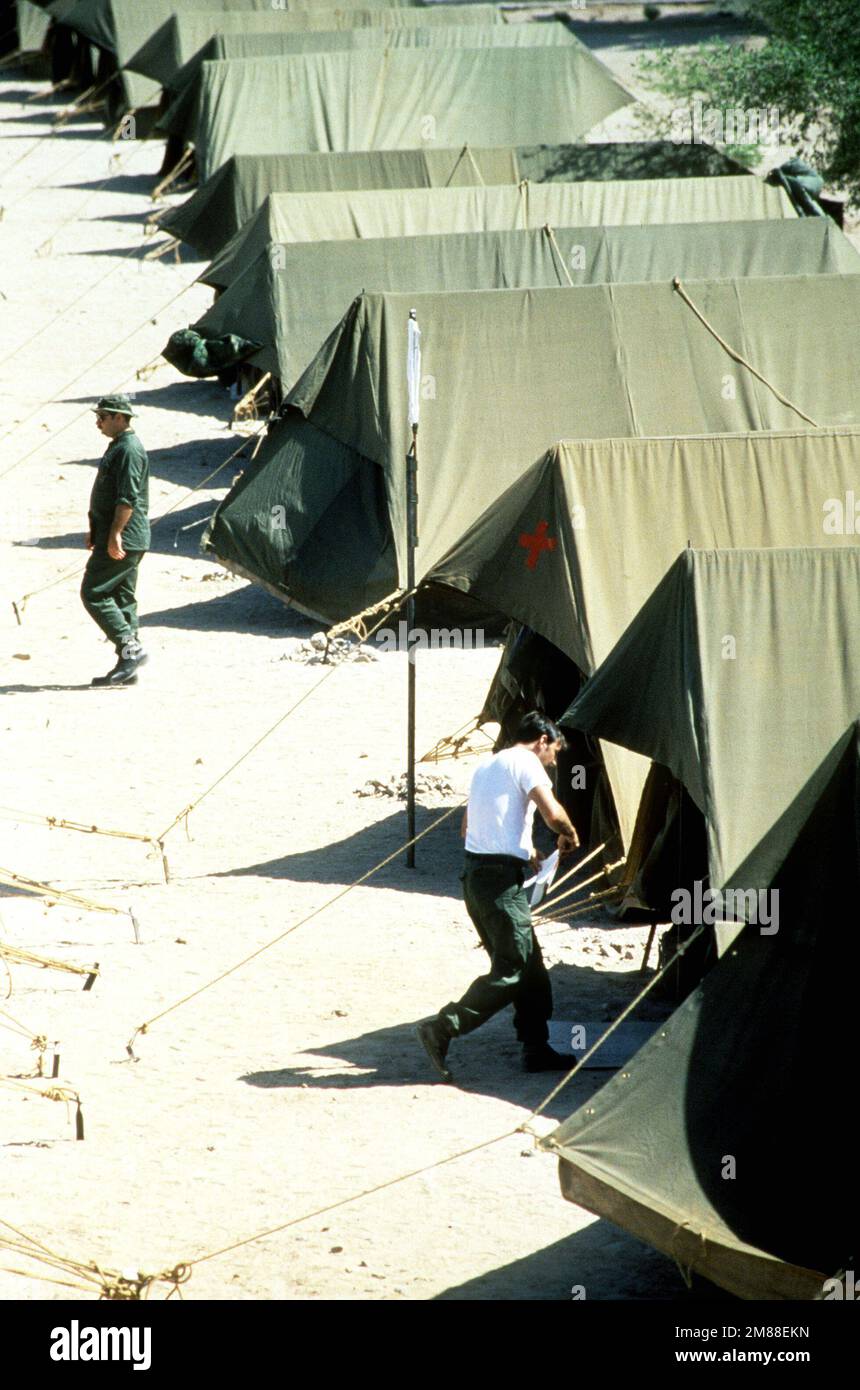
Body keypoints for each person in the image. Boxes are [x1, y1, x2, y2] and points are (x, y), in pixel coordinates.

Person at [417, 711, 580, 1083]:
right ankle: (444, 1027)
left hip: (477, 879)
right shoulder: (526, 762)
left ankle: (535, 1048)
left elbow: (469, 827)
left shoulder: (487, 767)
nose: (553, 761)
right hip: (499, 885)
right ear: (541, 741)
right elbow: (553, 814)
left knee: (531, 970)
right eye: (553, 752)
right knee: (514, 969)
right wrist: (568, 835)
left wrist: (526, 851)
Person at [80, 394, 150, 686]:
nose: (98, 422)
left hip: (125, 536)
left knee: (94, 592)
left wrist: (115, 535)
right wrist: (96, 530)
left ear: (120, 418)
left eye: (103, 417)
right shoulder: (120, 446)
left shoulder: (129, 450)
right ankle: (127, 664)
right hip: (119, 535)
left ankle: (130, 650)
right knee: (121, 597)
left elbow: (127, 498)